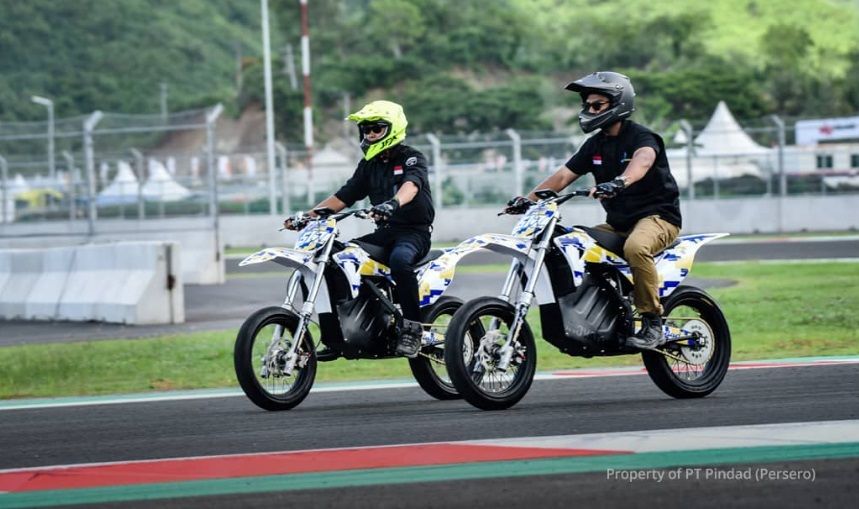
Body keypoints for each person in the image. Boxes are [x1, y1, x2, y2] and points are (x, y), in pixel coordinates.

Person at [505, 71, 682, 349]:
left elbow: (643, 162)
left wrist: (619, 182)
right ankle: (607, 314)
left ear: (618, 104)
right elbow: (562, 178)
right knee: (572, 245)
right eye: (587, 105)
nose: (589, 110)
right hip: (618, 224)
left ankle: (652, 322)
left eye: (596, 105)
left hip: (658, 218)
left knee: (636, 248)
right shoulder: (595, 145)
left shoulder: (642, 137)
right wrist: (527, 200)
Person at [283, 100, 433, 358]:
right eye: (366, 129)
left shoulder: (411, 157)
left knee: (399, 261)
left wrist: (392, 203)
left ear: (393, 129)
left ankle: (413, 329)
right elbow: (343, 197)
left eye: (376, 128)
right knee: (336, 260)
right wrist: (306, 217)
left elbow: (412, 187)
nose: (370, 134)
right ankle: (336, 336)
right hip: (384, 233)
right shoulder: (369, 165)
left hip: (414, 233)